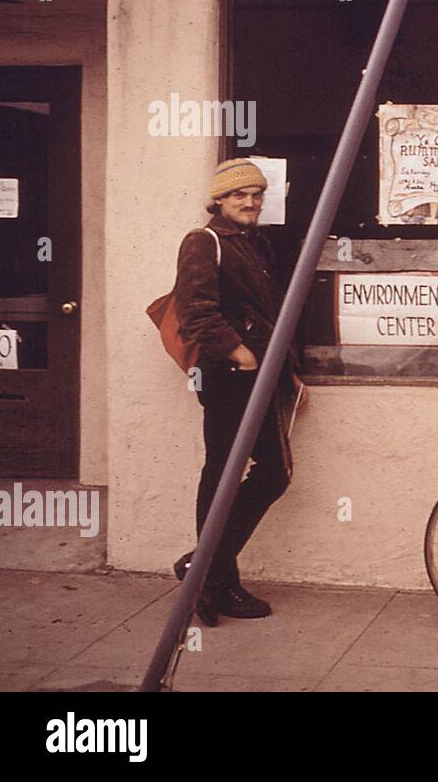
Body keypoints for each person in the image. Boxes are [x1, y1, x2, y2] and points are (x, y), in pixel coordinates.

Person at [172, 158, 304, 625]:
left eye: (256, 195)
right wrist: (239, 352)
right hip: (229, 377)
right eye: (237, 195)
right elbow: (196, 313)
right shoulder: (203, 242)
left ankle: (203, 568)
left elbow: (269, 315)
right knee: (226, 472)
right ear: (219, 201)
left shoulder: (256, 244)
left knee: (271, 473)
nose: (249, 202)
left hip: (261, 375)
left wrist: (286, 370)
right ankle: (214, 579)